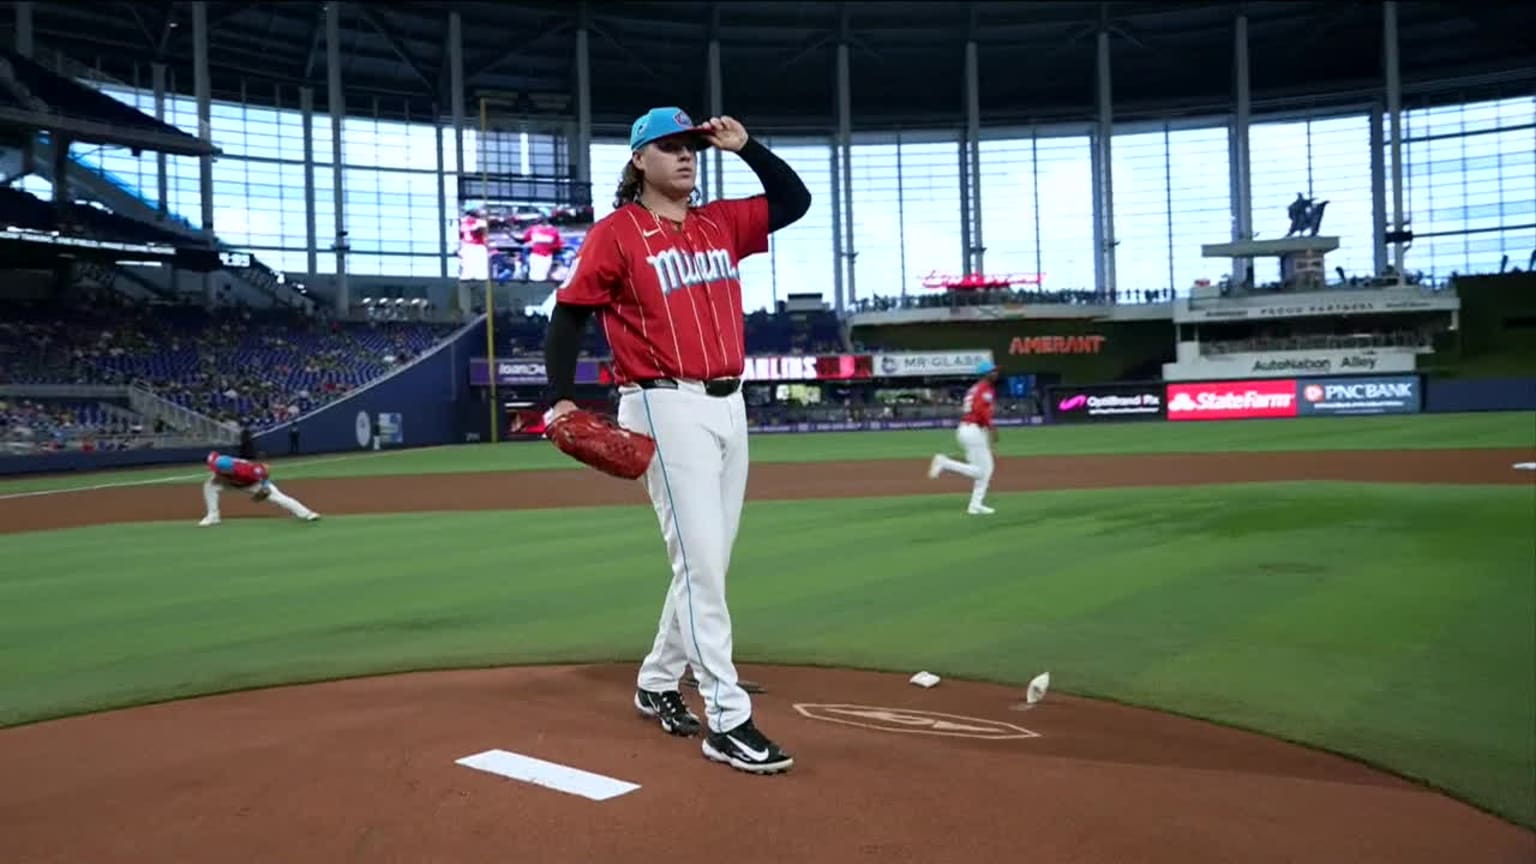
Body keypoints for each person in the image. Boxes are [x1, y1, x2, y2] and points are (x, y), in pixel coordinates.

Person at [542, 106, 810, 775]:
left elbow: (794, 201)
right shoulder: (617, 234)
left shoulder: (720, 222)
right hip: (662, 403)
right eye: (670, 148)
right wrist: (561, 397)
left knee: (707, 562)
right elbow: (569, 314)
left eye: (692, 147)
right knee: (701, 566)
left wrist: (746, 145)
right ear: (639, 160)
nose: (687, 157)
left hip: (729, 403)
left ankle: (659, 679)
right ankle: (728, 718)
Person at [928, 360, 1000, 515]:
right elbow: (981, 411)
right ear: (985, 374)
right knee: (983, 471)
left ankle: (975, 506)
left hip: (967, 429)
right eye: (992, 371)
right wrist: (992, 428)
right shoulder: (985, 389)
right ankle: (945, 462)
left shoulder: (974, 389)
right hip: (974, 430)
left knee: (984, 469)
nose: (996, 373)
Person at [199, 450, 320, 526]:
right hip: (230, 482)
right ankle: (213, 516)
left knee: (278, 498)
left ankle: (307, 514)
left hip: (252, 485)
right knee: (209, 486)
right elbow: (212, 456)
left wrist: (266, 487)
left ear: (227, 470)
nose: (215, 470)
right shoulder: (219, 460)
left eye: (218, 469)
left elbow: (264, 470)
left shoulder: (246, 470)